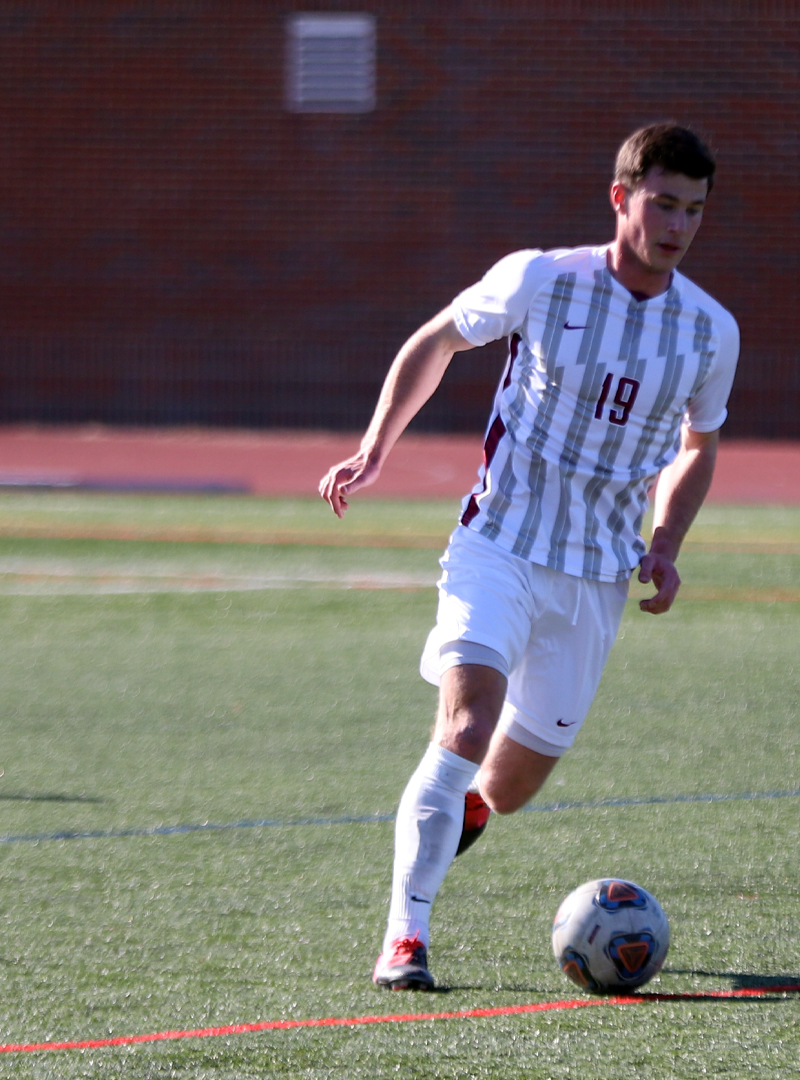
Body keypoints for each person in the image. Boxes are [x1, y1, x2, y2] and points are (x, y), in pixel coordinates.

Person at [319, 122, 739, 990]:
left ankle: (461, 810)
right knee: (466, 725)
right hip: (499, 544)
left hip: (593, 577)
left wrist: (663, 546)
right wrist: (375, 449)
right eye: (663, 202)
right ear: (623, 198)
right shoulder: (543, 279)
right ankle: (406, 937)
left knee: (506, 788)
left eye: (694, 209)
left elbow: (700, 444)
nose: (678, 224)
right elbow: (435, 340)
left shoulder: (710, 331)